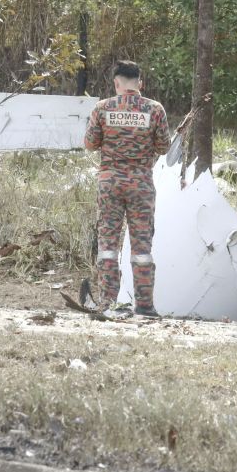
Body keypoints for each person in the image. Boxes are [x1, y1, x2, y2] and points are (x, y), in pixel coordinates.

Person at [83, 60, 171, 316]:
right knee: (142, 248)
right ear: (140, 84)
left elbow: (90, 143)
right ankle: (144, 305)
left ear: (116, 83)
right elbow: (164, 147)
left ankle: (108, 302)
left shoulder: (102, 108)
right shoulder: (154, 109)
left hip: (109, 184)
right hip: (141, 185)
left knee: (108, 244)